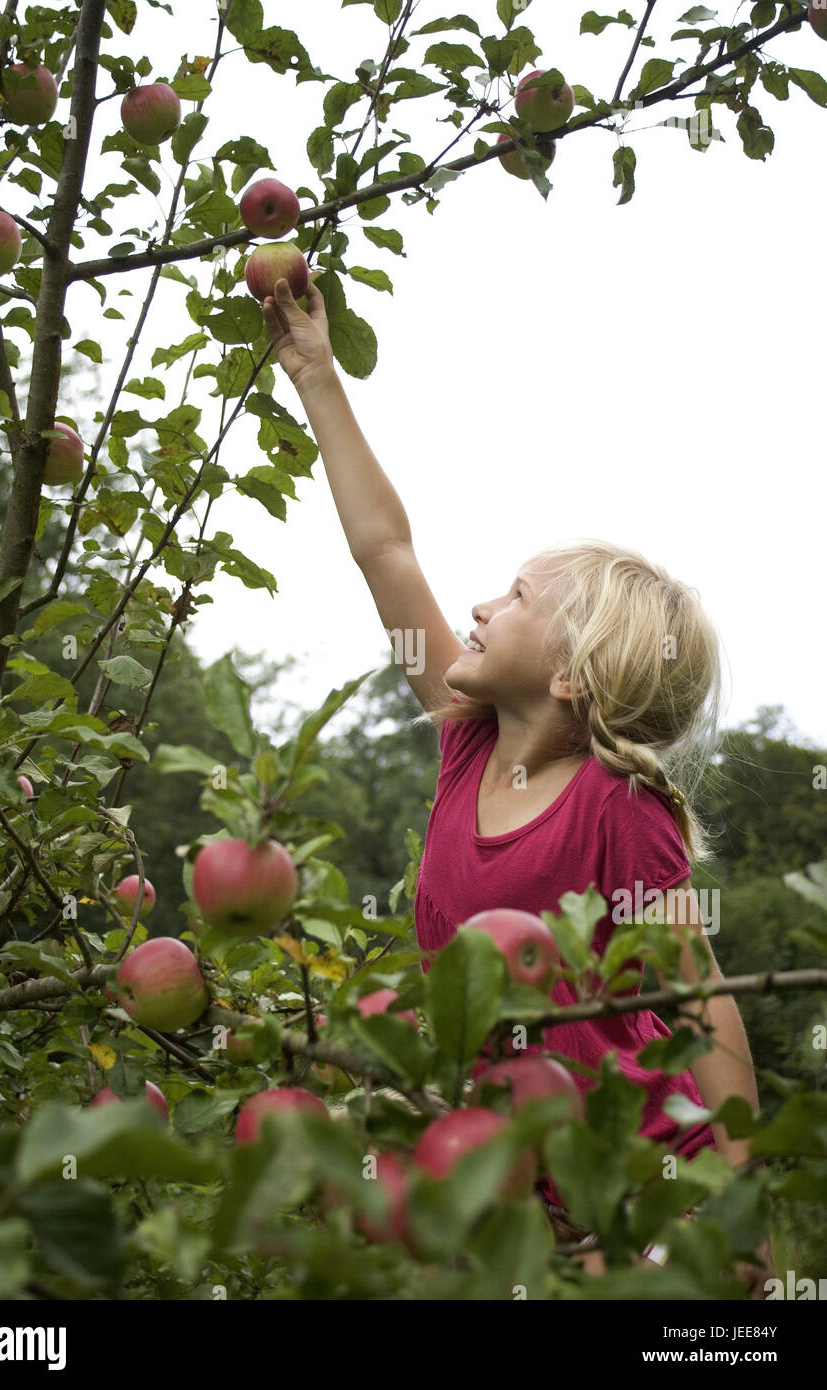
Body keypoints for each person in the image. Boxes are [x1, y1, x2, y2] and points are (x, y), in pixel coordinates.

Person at [261, 274, 771, 1291]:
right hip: (488, 1169)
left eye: (517, 595)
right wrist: (315, 373)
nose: (481, 605)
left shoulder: (618, 809)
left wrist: (740, 1202)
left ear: (574, 672)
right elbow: (385, 551)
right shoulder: (466, 739)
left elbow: (700, 1000)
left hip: (621, 1177)